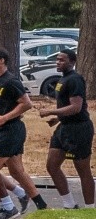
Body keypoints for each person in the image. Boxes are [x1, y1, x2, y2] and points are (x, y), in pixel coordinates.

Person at [0, 47, 46, 219]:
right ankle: (42, 206)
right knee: (17, 171)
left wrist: (5, 118)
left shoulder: (11, 81)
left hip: (11, 130)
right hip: (1, 130)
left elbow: (26, 104)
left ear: (2, 61)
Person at [39, 49, 93, 208]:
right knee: (52, 165)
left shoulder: (75, 80)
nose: (58, 62)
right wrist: (57, 118)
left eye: (62, 60)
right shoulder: (63, 79)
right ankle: (69, 204)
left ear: (72, 62)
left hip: (79, 129)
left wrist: (51, 111)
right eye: (57, 59)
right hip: (64, 127)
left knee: (82, 169)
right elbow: (66, 105)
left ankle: (90, 208)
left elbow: (76, 107)